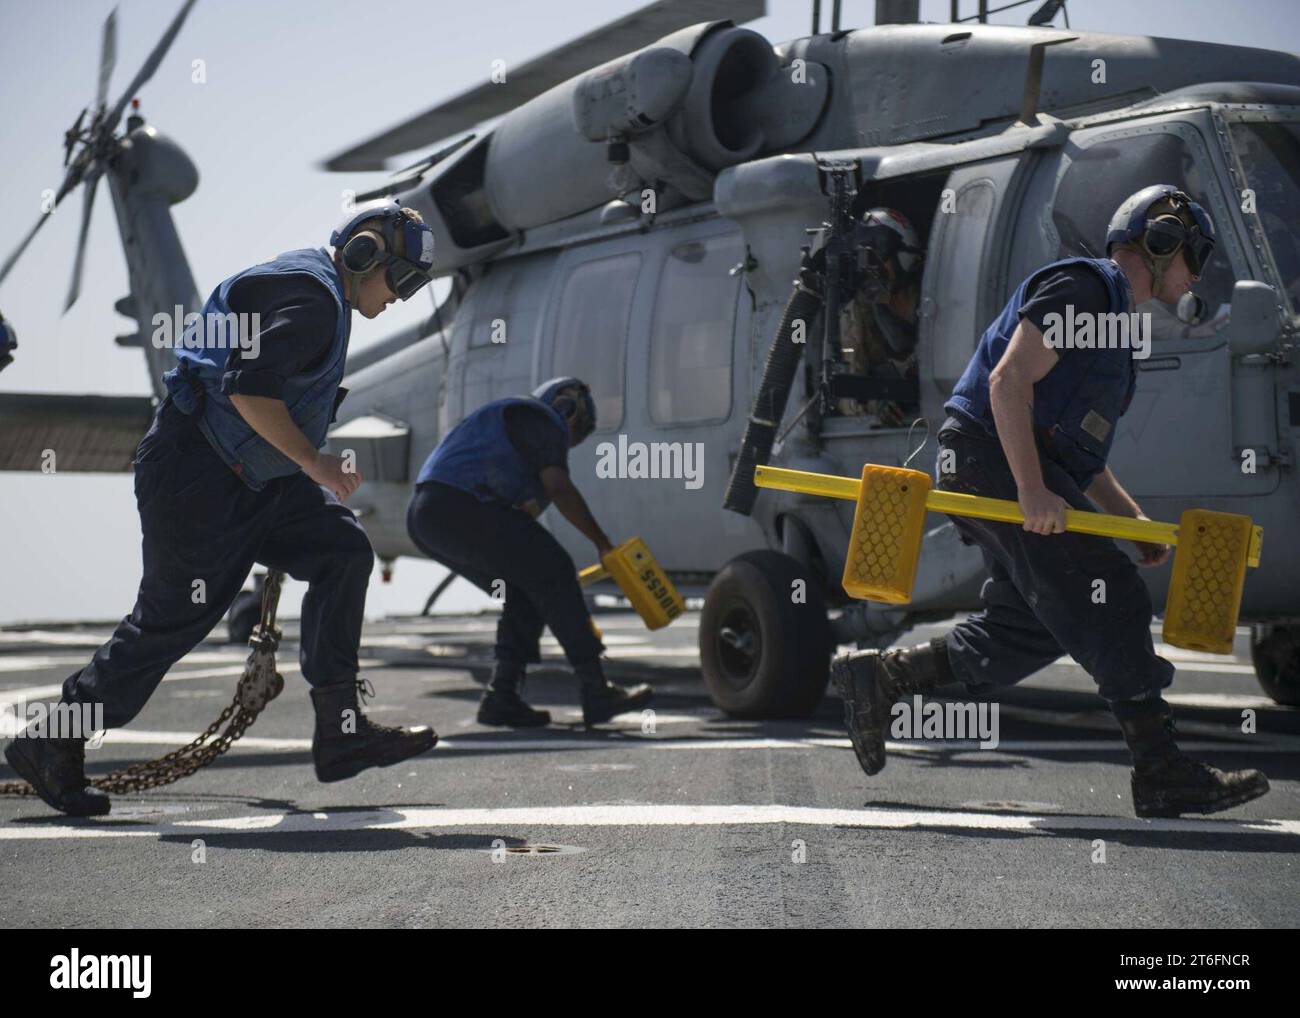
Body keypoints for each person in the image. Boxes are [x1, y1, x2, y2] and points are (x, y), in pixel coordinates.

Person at [831, 184, 1270, 818]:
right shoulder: (1083, 290)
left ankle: (883, 676)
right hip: (987, 458)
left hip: (999, 465)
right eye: (1192, 255)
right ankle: (1161, 770)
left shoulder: (1114, 330)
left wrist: (1132, 522)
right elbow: (1009, 382)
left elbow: (1081, 463)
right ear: (1162, 243)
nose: (1196, 273)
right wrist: (1032, 491)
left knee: (1028, 628)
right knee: (1108, 592)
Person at [4, 200, 439, 816]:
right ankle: (53, 739)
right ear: (366, 254)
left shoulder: (319, 294)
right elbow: (250, 389)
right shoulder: (316, 300)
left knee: (343, 550)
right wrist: (317, 465)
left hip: (253, 476)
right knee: (172, 620)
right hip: (198, 474)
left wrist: (302, 467)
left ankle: (341, 731)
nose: (401, 296)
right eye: (402, 280)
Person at [407, 377, 653, 728]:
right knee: (554, 570)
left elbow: (521, 523)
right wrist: (603, 544)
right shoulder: (540, 419)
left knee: (526, 590)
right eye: (573, 437)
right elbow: (560, 488)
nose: (563, 450)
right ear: (568, 411)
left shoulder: (508, 433)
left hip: (427, 518)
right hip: (458, 507)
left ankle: (501, 697)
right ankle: (596, 690)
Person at [836, 207, 924, 426]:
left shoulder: (933, 298)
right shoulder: (859, 313)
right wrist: (876, 404)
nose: (870, 267)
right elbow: (844, 395)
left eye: (877, 256)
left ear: (901, 255)